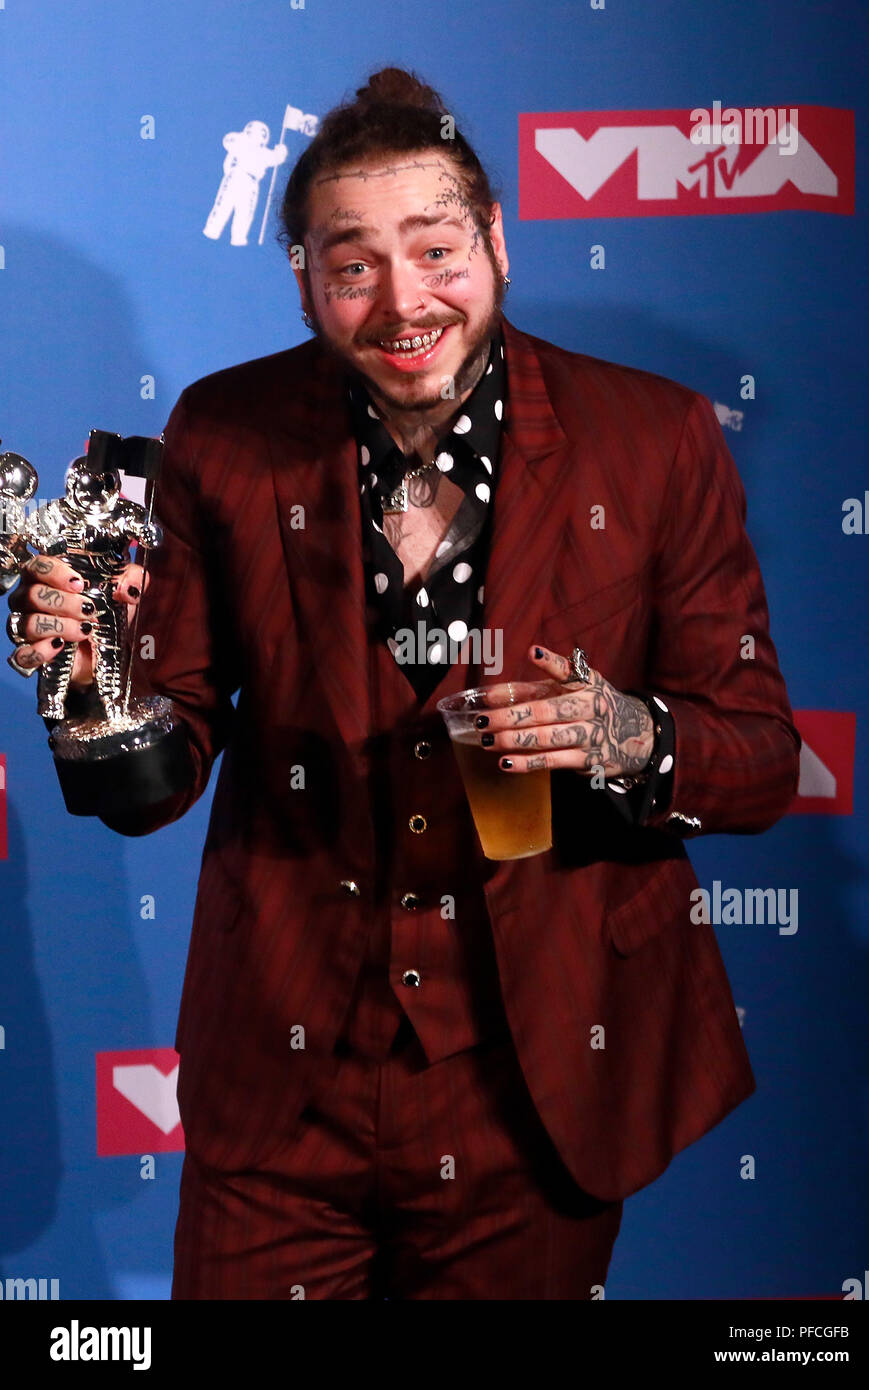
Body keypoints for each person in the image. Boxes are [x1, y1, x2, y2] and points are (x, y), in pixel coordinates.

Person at [5, 67, 801, 1300]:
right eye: (350, 265)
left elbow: (754, 754)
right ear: (304, 278)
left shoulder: (649, 439)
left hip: (535, 1086)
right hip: (282, 1090)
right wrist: (92, 694)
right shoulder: (224, 433)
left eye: (433, 249)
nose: (401, 301)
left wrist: (625, 733)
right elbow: (151, 786)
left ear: (495, 240)